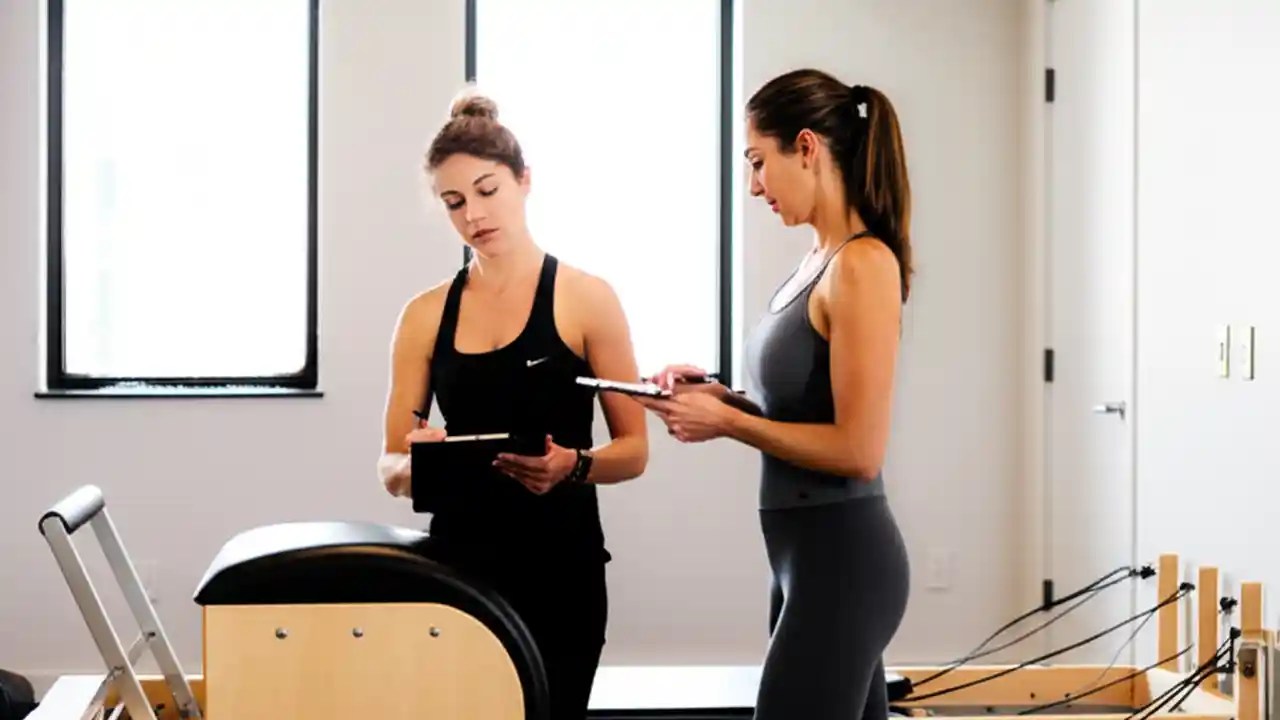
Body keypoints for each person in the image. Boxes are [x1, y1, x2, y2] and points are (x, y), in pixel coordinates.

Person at [637, 68, 913, 720]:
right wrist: (717, 400)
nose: (754, 184)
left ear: (809, 148)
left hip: (843, 560)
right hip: (803, 558)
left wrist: (731, 426)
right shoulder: (814, 264)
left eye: (760, 162)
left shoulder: (864, 265)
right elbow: (799, 412)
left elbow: (858, 451)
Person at [376, 89, 649, 719]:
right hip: (458, 575)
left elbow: (634, 452)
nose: (473, 213)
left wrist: (572, 465)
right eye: (454, 202)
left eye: (487, 190)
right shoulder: (422, 316)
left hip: (564, 571)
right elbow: (390, 466)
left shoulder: (587, 298)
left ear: (525, 182)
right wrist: (415, 464)